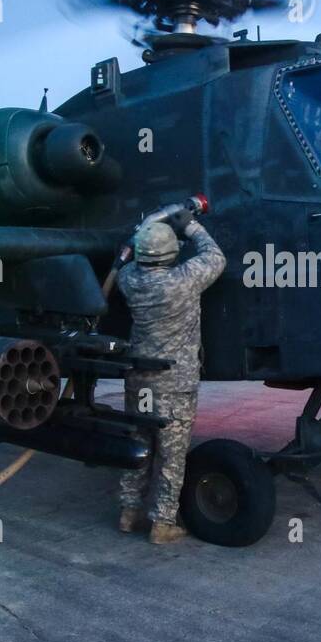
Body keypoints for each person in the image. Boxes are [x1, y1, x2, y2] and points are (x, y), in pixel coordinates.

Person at [116, 215, 226, 544]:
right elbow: (216, 256)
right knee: (171, 457)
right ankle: (162, 524)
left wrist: (140, 233)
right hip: (175, 385)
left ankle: (128, 512)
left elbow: (126, 263)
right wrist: (192, 226)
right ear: (170, 254)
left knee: (139, 447)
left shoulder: (127, 279)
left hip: (139, 382)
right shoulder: (183, 280)